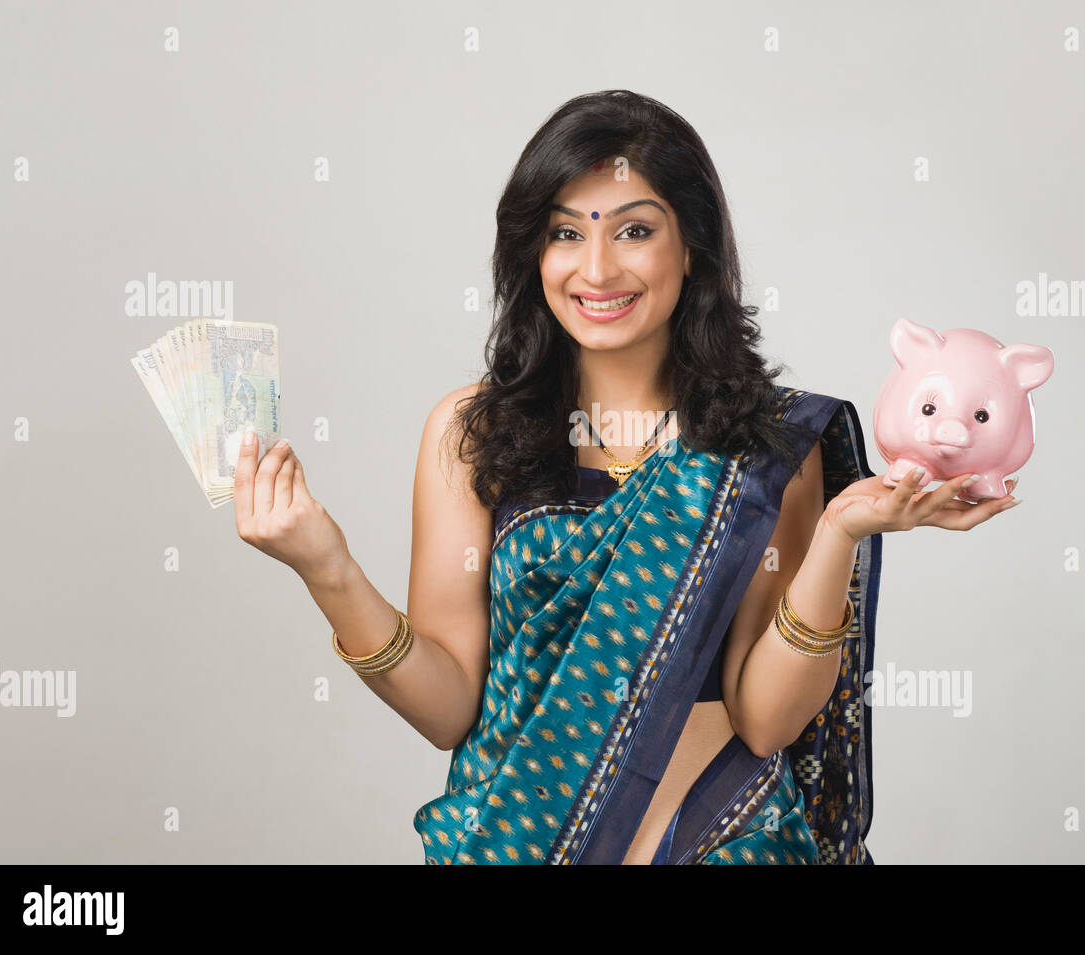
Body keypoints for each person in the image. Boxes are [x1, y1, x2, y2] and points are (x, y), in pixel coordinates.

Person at [232, 90, 1019, 865]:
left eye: (635, 230)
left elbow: (766, 719)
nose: (596, 268)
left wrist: (840, 531)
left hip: (724, 843)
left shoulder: (766, 449)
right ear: (533, 253)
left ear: (693, 249)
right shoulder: (472, 434)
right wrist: (324, 567)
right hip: (523, 846)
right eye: (565, 233)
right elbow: (448, 710)